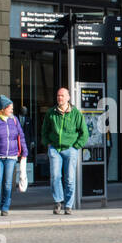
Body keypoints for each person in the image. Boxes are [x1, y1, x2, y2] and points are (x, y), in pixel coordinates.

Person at [42, 87, 88, 215]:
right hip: (55, 149)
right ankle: (58, 201)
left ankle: (68, 205)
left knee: (70, 179)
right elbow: (44, 130)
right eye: (58, 96)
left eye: (62, 96)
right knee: (55, 176)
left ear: (68, 98)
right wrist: (47, 143)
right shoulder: (51, 113)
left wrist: (76, 146)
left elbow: (84, 133)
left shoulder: (75, 114)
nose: (59, 98)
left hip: (70, 149)